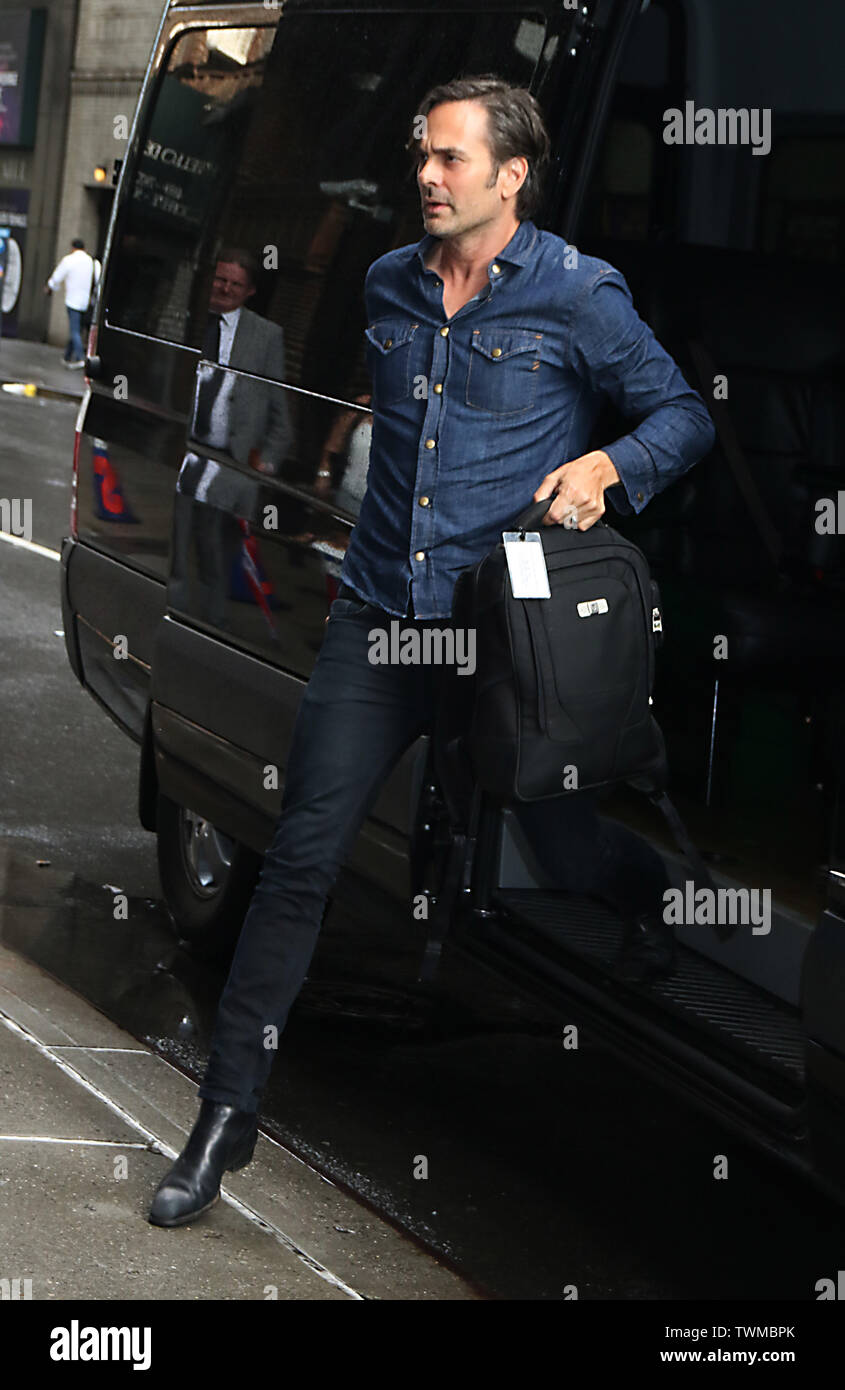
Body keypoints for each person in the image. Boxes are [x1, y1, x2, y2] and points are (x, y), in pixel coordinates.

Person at [148, 76, 716, 1228]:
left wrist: (608, 468)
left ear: (511, 176)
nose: (426, 175)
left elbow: (681, 415)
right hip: (379, 622)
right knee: (302, 852)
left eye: (451, 159)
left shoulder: (576, 295)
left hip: (504, 637)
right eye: (423, 155)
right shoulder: (386, 283)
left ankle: (646, 893)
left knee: (557, 847)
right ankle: (224, 1114)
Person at [44, 238, 100, 368]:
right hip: (88, 303)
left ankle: (81, 358)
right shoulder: (93, 263)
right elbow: (99, 282)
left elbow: (57, 277)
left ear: (73, 248)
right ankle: (67, 356)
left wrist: (50, 287)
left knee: (75, 330)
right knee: (77, 330)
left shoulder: (68, 260)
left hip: (73, 301)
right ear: (84, 248)